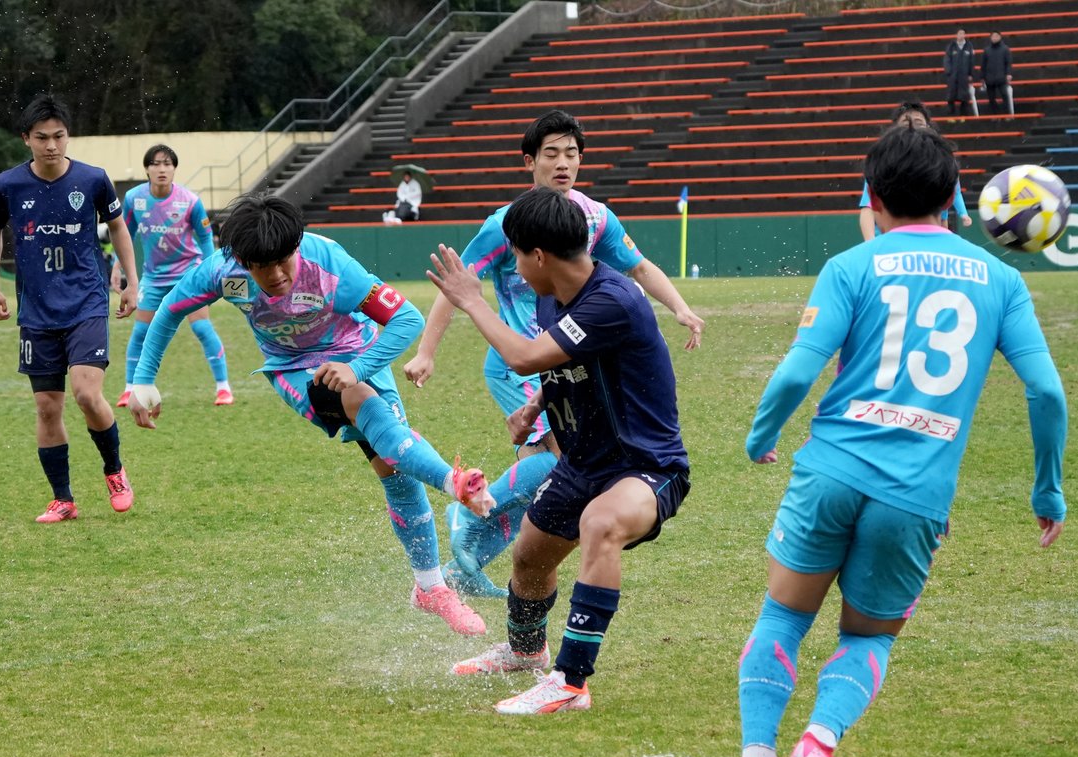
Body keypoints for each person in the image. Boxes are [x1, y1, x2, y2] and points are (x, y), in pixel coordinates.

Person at [734, 124, 1067, 757]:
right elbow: (1048, 392)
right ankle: (818, 742)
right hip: (916, 493)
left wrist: (760, 435)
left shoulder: (852, 266)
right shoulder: (1002, 281)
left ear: (874, 198)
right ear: (953, 197)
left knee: (784, 617)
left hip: (830, 469)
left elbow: (798, 373)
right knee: (869, 636)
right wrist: (1048, 490)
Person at [125, 193, 494, 636]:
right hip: (293, 369)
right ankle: (454, 483)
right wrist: (143, 380)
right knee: (362, 405)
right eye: (265, 267)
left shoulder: (332, 267)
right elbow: (169, 311)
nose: (278, 275)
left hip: (359, 357)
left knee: (394, 469)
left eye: (285, 260)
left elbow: (407, 319)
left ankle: (430, 589)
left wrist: (357, 365)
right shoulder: (223, 272)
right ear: (243, 260)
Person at [403, 109, 705, 600]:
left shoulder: (595, 216)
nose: (563, 163)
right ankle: (473, 508)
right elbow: (458, 285)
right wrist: (427, 352)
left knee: (548, 489)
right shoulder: (508, 223)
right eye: (551, 154)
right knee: (567, 464)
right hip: (519, 360)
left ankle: (470, 559)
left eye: (572, 154)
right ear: (530, 162)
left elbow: (638, 266)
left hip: (564, 366)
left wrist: (681, 308)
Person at [429, 187, 691, 714]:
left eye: (518, 257)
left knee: (601, 524)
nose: (517, 270)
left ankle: (570, 683)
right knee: (529, 557)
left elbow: (525, 357)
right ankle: (526, 654)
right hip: (583, 461)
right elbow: (574, 360)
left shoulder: (610, 299)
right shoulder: (556, 294)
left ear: (539, 255)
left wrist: (473, 300)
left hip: (646, 466)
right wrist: (537, 406)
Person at [0, 94, 140, 523]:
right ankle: (63, 499)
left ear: (68, 136)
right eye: (42, 138)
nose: (52, 145)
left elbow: (118, 227)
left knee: (87, 394)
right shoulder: (9, 185)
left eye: (59, 136)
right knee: (48, 407)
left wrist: (130, 281)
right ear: (26, 140)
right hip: (35, 311)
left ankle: (114, 470)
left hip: (86, 302)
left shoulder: (93, 179)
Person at [115, 144, 233, 408]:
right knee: (140, 333)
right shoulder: (135, 198)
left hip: (188, 275)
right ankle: (129, 389)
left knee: (201, 327)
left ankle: (223, 388)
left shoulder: (190, 201)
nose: (162, 169)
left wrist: (211, 270)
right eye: (156, 164)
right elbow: (123, 233)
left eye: (167, 164)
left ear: (174, 168)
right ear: (146, 168)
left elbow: (205, 238)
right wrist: (116, 266)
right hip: (153, 278)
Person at [858, 101, 971, 241]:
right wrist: (871, 245)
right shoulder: (884, 164)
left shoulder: (941, 163)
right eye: (906, 123)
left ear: (929, 127)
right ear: (894, 129)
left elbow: (944, 214)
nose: (912, 128)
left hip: (930, 244)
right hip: (889, 245)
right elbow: (867, 209)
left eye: (919, 122)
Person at [943, 29, 975, 117]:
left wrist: (970, 74)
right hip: (953, 76)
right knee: (951, 96)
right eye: (960, 33)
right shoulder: (951, 46)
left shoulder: (969, 46)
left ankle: (963, 117)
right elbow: (947, 60)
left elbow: (971, 62)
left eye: (963, 33)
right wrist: (949, 72)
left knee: (964, 97)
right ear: (956, 35)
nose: (961, 35)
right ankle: (951, 116)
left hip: (964, 76)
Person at [980, 31, 1013, 115]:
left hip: (1001, 77)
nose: (994, 38)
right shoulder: (986, 50)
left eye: (996, 36)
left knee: (1005, 96)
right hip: (989, 78)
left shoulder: (1005, 49)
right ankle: (995, 114)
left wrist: (1008, 74)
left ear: (1000, 37)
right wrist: (982, 77)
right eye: (993, 36)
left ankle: (1007, 114)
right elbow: (983, 65)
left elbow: (1008, 63)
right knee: (991, 98)